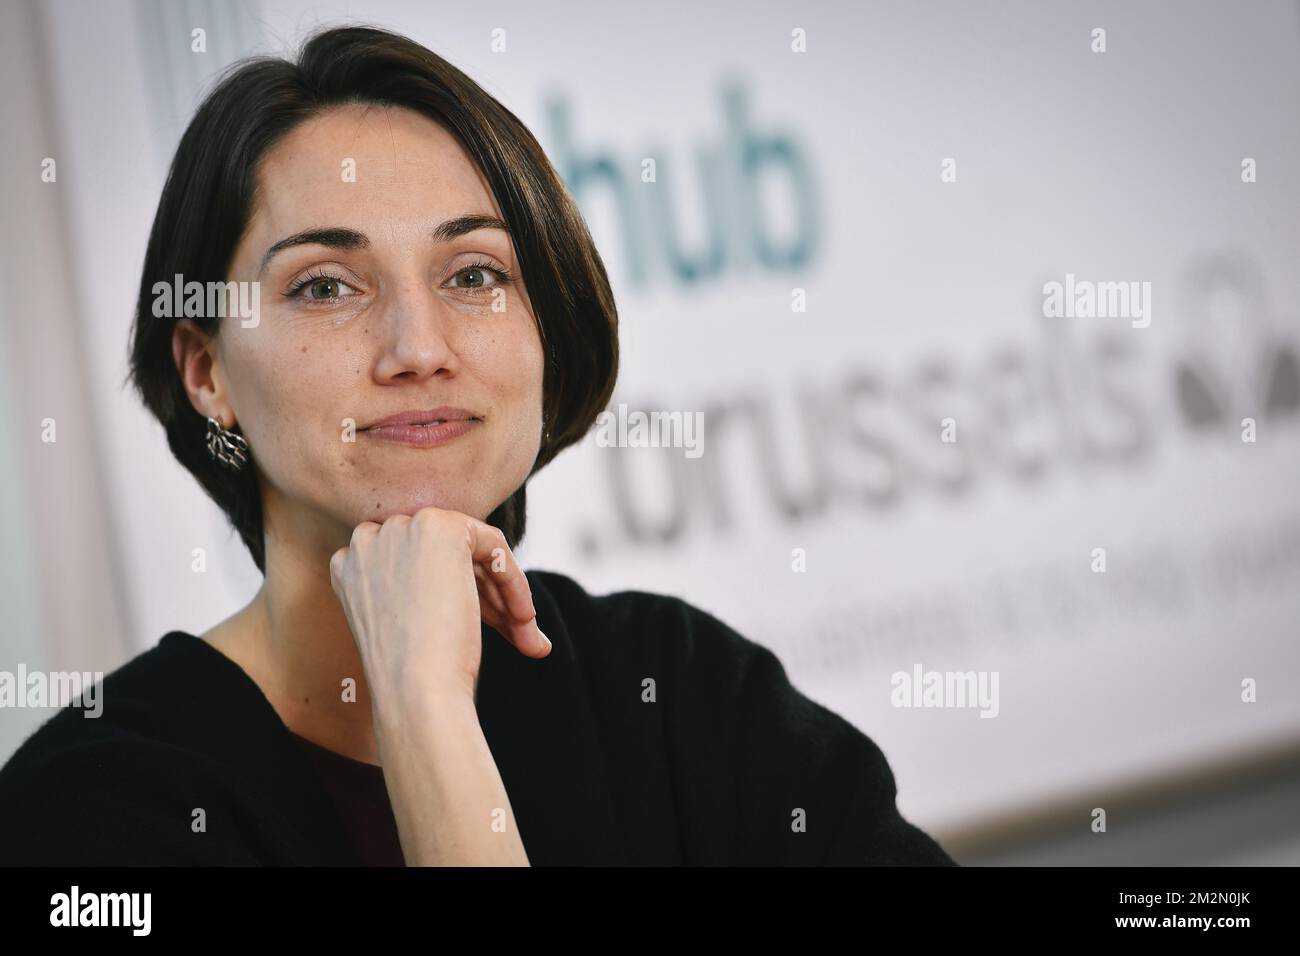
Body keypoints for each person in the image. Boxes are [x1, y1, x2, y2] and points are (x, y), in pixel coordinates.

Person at [0, 25, 955, 866]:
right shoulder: (93, 807)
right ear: (206, 371)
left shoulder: (683, 694)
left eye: (473, 272)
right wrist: (421, 710)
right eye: (327, 286)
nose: (420, 350)